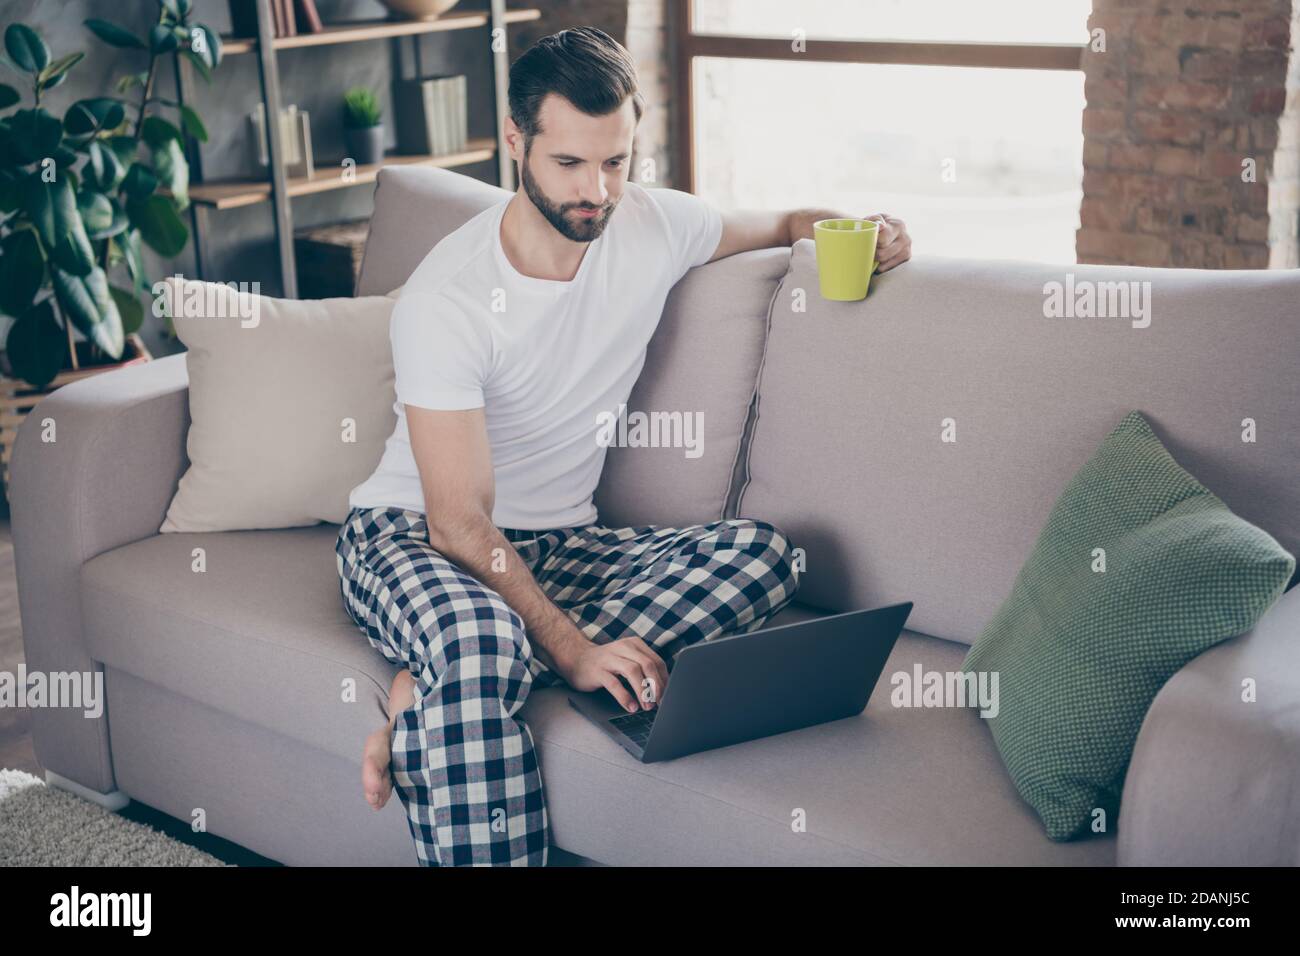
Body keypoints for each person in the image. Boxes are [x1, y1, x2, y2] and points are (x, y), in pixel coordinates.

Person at [335, 26, 913, 867]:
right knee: (483, 640)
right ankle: (463, 668)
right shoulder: (449, 300)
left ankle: (426, 700)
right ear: (515, 143)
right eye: (570, 163)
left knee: (764, 556)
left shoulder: (653, 225)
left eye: (616, 161)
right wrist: (571, 649)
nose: (596, 191)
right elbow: (459, 523)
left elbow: (788, 220)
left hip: (562, 543)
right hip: (412, 534)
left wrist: (865, 227)